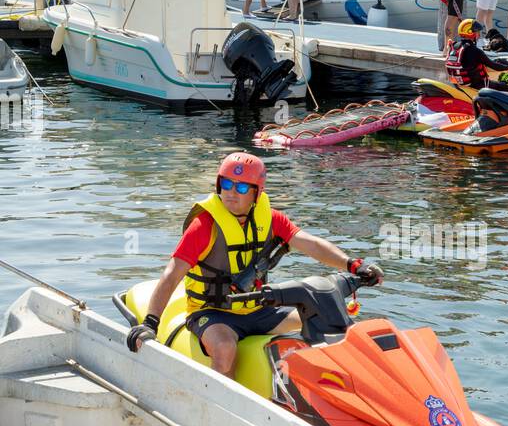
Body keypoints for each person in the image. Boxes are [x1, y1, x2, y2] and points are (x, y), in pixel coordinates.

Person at [126, 152, 384, 379]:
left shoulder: (270, 218)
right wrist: (150, 322)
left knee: (327, 318)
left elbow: (311, 244)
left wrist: (352, 265)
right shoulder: (204, 226)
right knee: (225, 347)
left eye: (240, 187)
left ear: (256, 192)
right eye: (226, 183)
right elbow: (172, 275)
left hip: (260, 308)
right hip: (213, 312)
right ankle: (218, 410)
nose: (230, 192)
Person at [445, 18, 508, 88]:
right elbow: (494, 66)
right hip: (477, 85)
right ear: (470, 32)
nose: (479, 35)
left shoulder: (454, 47)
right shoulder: (474, 50)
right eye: (477, 32)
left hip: (460, 84)